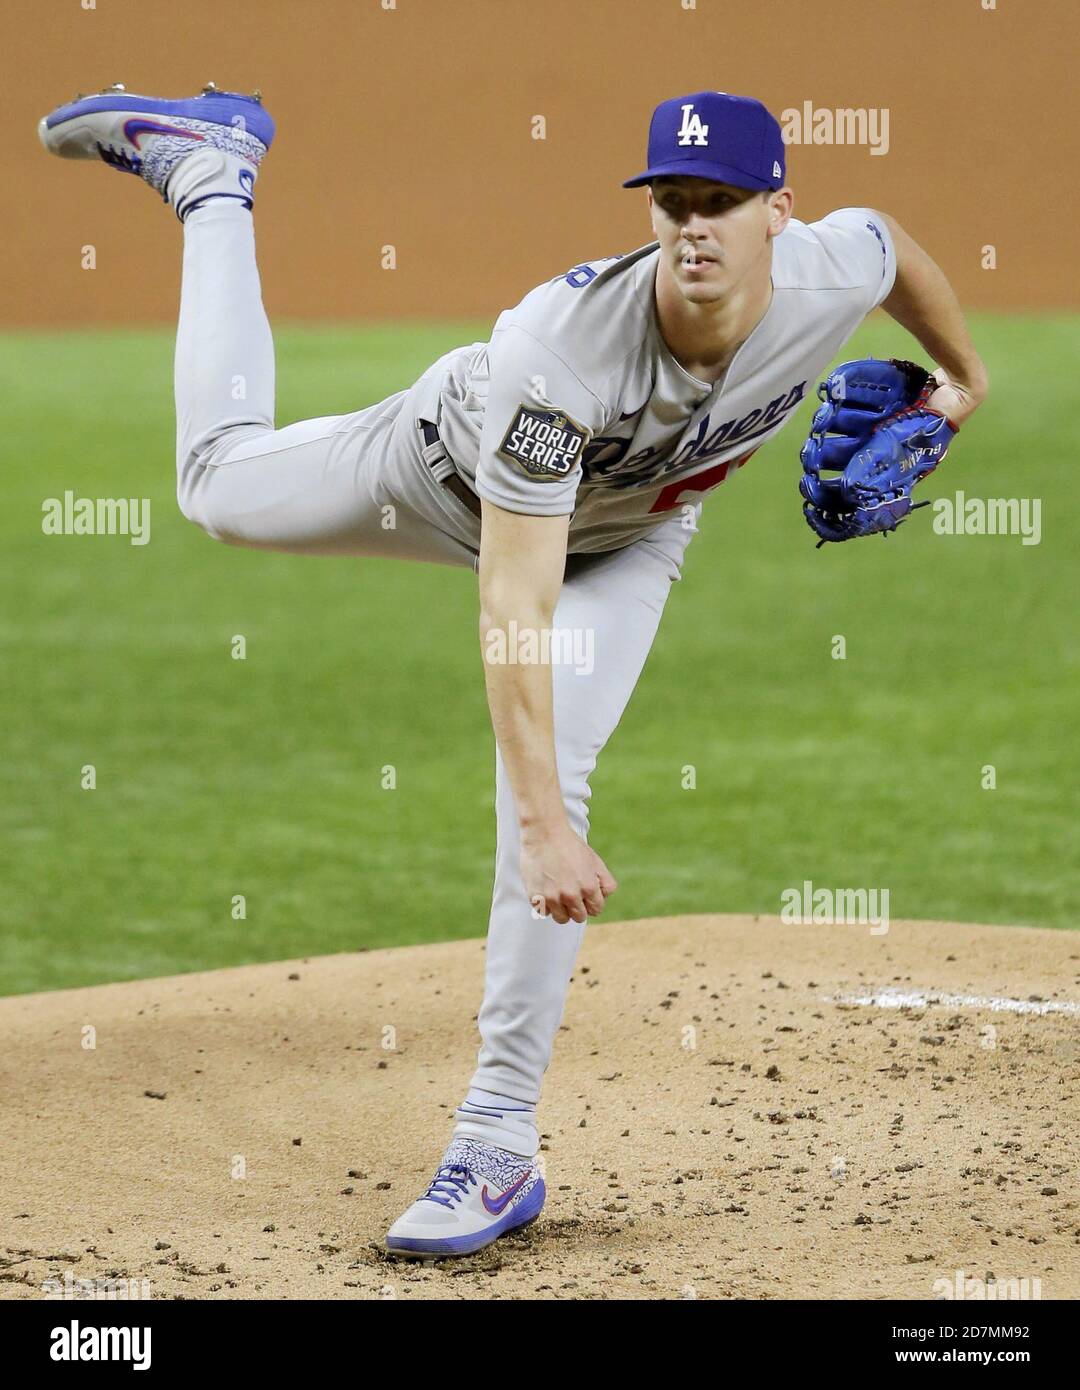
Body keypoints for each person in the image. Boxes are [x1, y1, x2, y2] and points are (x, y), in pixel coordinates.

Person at [39, 85, 987, 1258]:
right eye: (674, 202)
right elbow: (514, 596)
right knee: (218, 491)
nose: (695, 227)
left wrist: (963, 384)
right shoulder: (562, 352)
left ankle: (494, 1144)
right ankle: (211, 177)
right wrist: (539, 826)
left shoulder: (823, 274)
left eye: (724, 202)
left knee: (562, 766)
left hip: (635, 535)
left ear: (777, 211)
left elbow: (890, 245)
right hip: (445, 477)